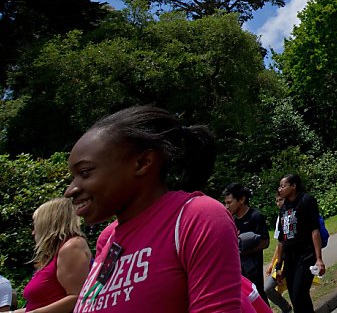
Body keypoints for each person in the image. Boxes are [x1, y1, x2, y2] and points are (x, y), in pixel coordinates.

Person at [66, 105, 252, 312]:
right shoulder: (108, 238)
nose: (70, 190)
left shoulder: (197, 217)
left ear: (143, 163)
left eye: (85, 172)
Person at [14, 198, 91, 313]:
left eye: (35, 225)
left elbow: (77, 297)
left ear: (47, 223)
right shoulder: (55, 254)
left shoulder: (72, 247)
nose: (33, 232)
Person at [274, 175, 325, 313]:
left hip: (306, 254)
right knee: (297, 298)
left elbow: (314, 230)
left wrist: (319, 258)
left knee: (299, 295)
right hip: (290, 258)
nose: (280, 189)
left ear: (293, 186)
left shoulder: (306, 200)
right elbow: (281, 239)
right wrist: (279, 266)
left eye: (283, 186)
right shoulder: (284, 206)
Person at [223, 184, 269, 301]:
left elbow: (265, 242)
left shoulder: (255, 216)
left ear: (242, 200)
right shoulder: (232, 221)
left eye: (229, 202)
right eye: (225, 203)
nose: (226, 206)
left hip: (253, 270)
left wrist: (243, 251)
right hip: (238, 271)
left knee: (258, 297)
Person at [263, 193, 293, 313]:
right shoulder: (279, 217)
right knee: (268, 288)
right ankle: (286, 307)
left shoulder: (293, 213)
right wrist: (273, 263)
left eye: (281, 200)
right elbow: (279, 244)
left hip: (294, 258)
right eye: (277, 201)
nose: (278, 203)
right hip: (281, 261)